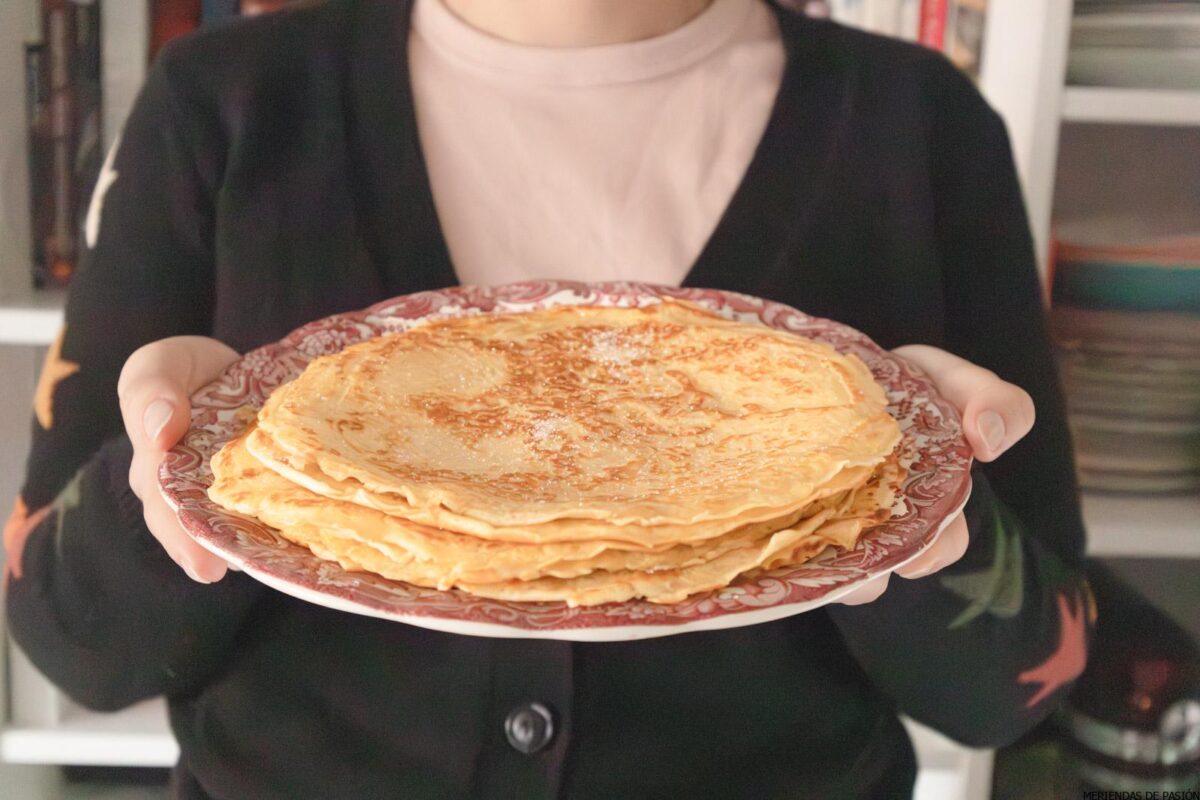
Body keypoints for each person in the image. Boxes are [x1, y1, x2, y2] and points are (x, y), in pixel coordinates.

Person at [4, 0, 1093, 797]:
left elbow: (1033, 672)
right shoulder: (222, 107)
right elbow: (61, 633)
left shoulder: (921, 127)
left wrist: (913, 506)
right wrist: (170, 481)